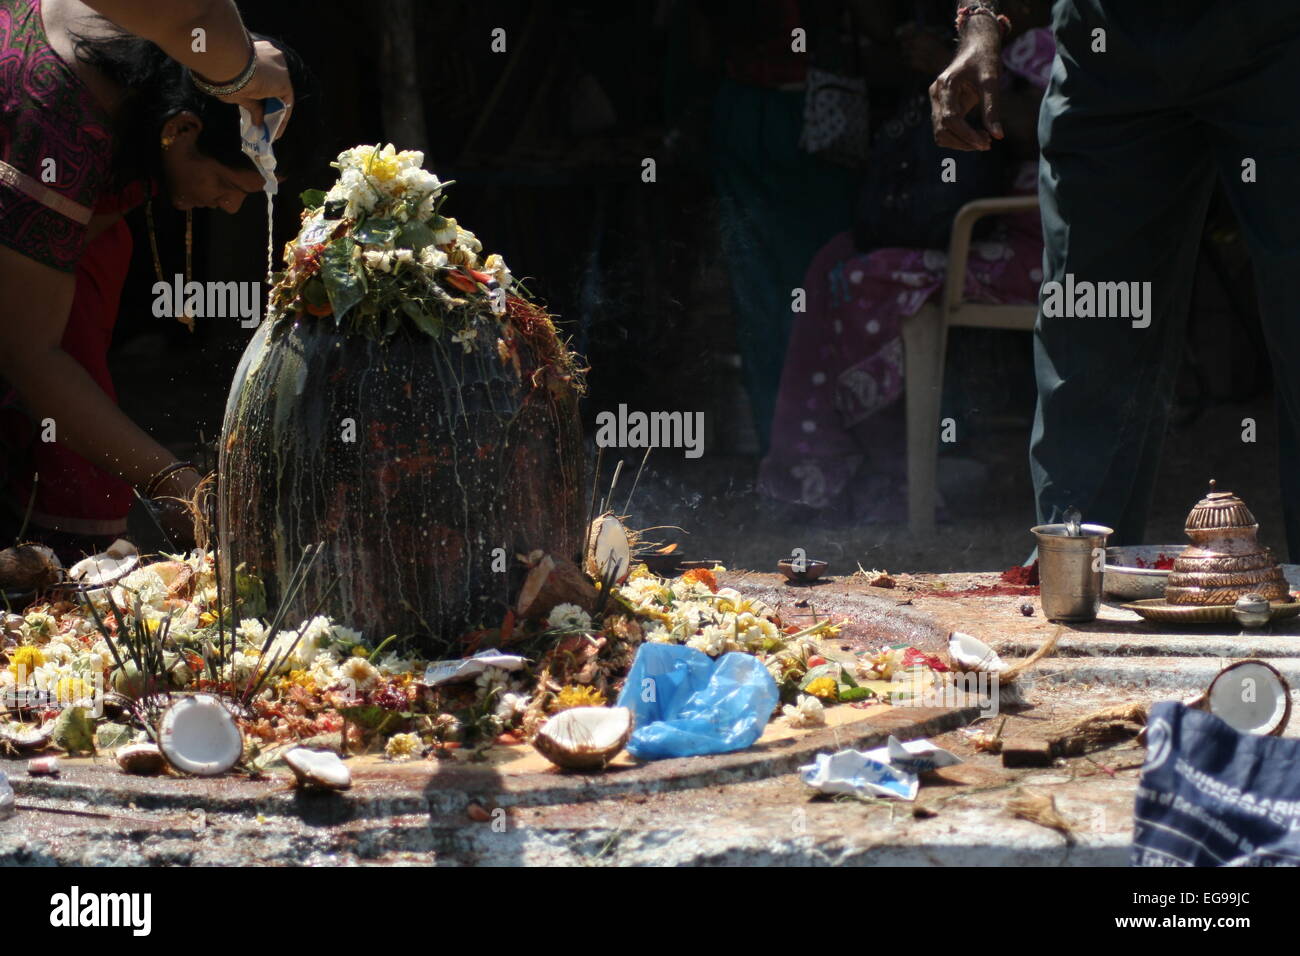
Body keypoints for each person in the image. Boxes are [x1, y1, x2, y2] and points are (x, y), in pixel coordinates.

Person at [931, 0, 1300, 558]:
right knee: (1092, 310)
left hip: (1277, 39)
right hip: (1110, 47)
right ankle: (1077, 564)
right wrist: (984, 22)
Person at [0, 0, 312, 560]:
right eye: (226, 183)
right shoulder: (62, 120)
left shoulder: (146, 83)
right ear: (183, 130)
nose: (230, 207)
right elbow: (30, 356)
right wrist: (177, 484)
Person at [759, 17, 1053, 522]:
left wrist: (973, 90)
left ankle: (889, 467)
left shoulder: (1059, 51)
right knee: (834, 257)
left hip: (1031, 245)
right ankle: (815, 459)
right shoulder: (1000, 44)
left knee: (861, 278)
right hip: (984, 231)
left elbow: (1035, 129)